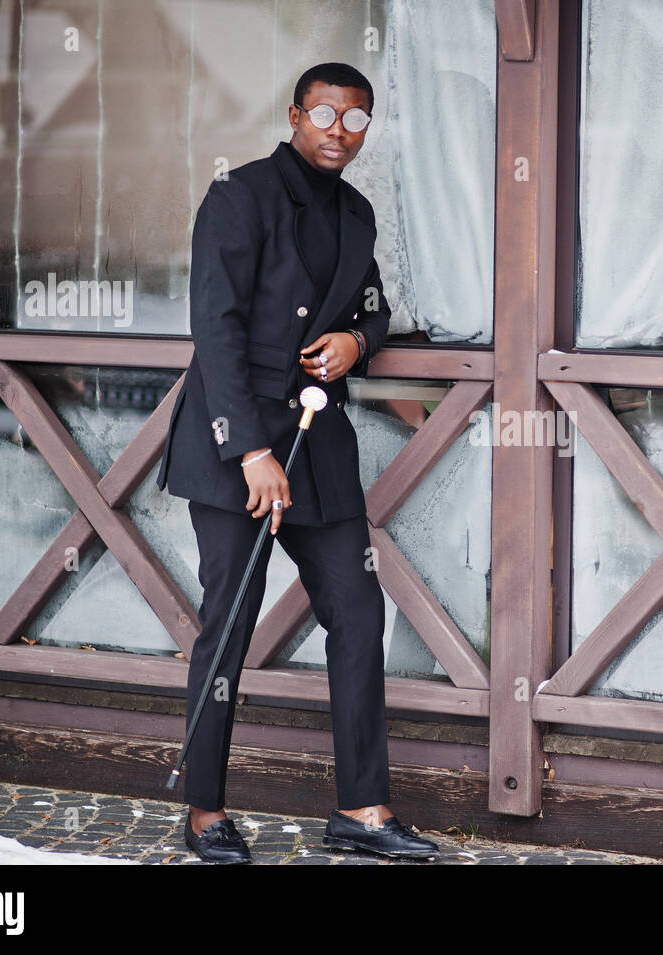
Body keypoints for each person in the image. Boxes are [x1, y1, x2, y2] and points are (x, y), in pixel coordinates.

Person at [155, 61, 438, 863]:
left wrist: (359, 341)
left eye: (355, 119)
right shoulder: (238, 197)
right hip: (232, 451)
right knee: (230, 624)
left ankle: (362, 807)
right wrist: (249, 451)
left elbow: (374, 307)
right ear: (294, 114)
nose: (338, 130)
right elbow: (214, 331)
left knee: (358, 610)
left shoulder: (357, 213)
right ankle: (204, 811)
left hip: (318, 451)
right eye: (323, 112)